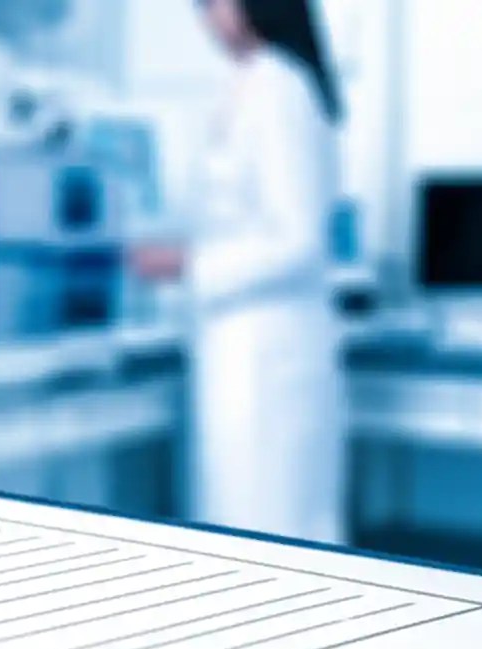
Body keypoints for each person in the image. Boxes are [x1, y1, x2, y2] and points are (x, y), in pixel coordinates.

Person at [187, 0, 346, 543]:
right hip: (241, 343)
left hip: (271, 351)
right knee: (241, 522)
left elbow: (299, 241)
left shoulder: (282, 88)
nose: (205, 19)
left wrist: (191, 268)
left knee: (277, 527)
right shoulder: (248, 83)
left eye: (213, 4)